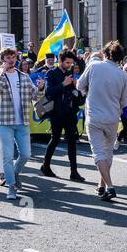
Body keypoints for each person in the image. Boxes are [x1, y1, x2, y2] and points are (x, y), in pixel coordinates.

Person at [78, 41, 127, 201]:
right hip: (112, 117)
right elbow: (124, 102)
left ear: (106, 53)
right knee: (107, 153)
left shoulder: (94, 66)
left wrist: (89, 90)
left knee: (98, 153)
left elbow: (80, 85)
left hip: (94, 116)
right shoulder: (123, 74)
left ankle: (109, 186)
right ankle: (102, 186)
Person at [0, 48, 35, 201]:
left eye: (13, 57)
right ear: (2, 60)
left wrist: (41, 88)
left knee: (26, 154)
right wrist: (2, 73)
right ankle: (11, 186)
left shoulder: (24, 76)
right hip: (4, 121)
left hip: (22, 121)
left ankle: (15, 172)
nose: (11, 60)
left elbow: (35, 95)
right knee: (7, 156)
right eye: (8, 57)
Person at [41, 50, 86, 182]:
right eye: (67, 62)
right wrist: (63, 84)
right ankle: (46, 165)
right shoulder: (51, 73)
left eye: (71, 63)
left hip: (70, 112)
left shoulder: (70, 72)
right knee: (55, 139)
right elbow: (49, 92)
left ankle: (74, 171)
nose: (69, 65)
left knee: (72, 141)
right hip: (57, 112)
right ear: (60, 61)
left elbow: (71, 91)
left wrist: (75, 88)